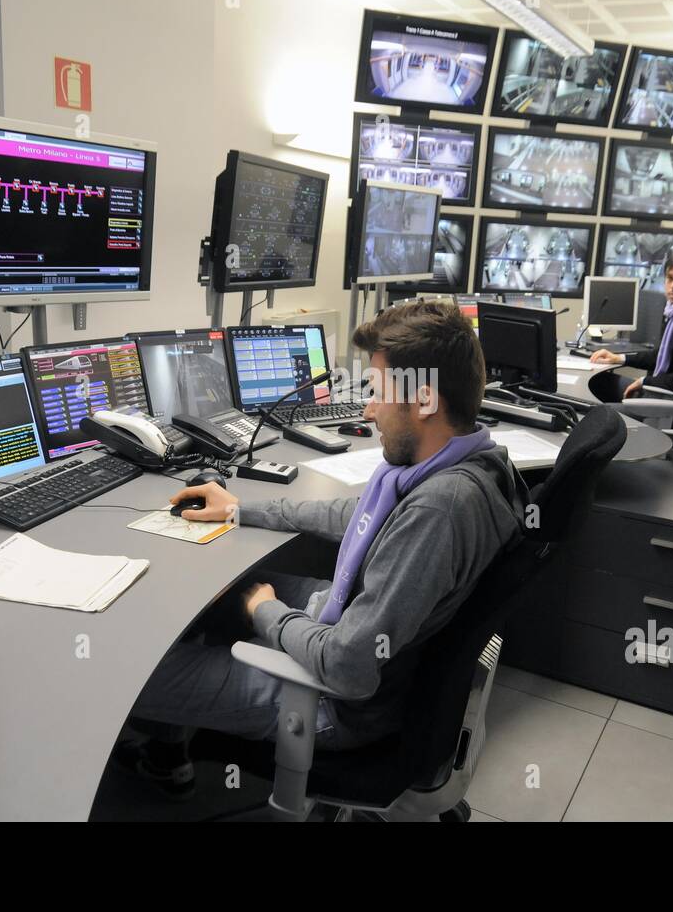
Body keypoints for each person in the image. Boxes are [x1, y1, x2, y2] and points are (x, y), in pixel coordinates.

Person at [118, 300, 529, 796]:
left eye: (377, 394)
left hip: (337, 703)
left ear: (423, 401)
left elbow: (347, 666)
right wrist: (241, 508)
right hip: (358, 637)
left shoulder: (439, 510)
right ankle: (171, 750)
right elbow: (354, 518)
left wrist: (265, 613)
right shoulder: (474, 462)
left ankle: (159, 735)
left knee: (126, 675)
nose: (369, 410)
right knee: (212, 593)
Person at [587, 250, 673, 409]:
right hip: (662, 392)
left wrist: (645, 382)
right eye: (670, 278)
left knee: (596, 411)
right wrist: (620, 358)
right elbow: (662, 356)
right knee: (598, 382)